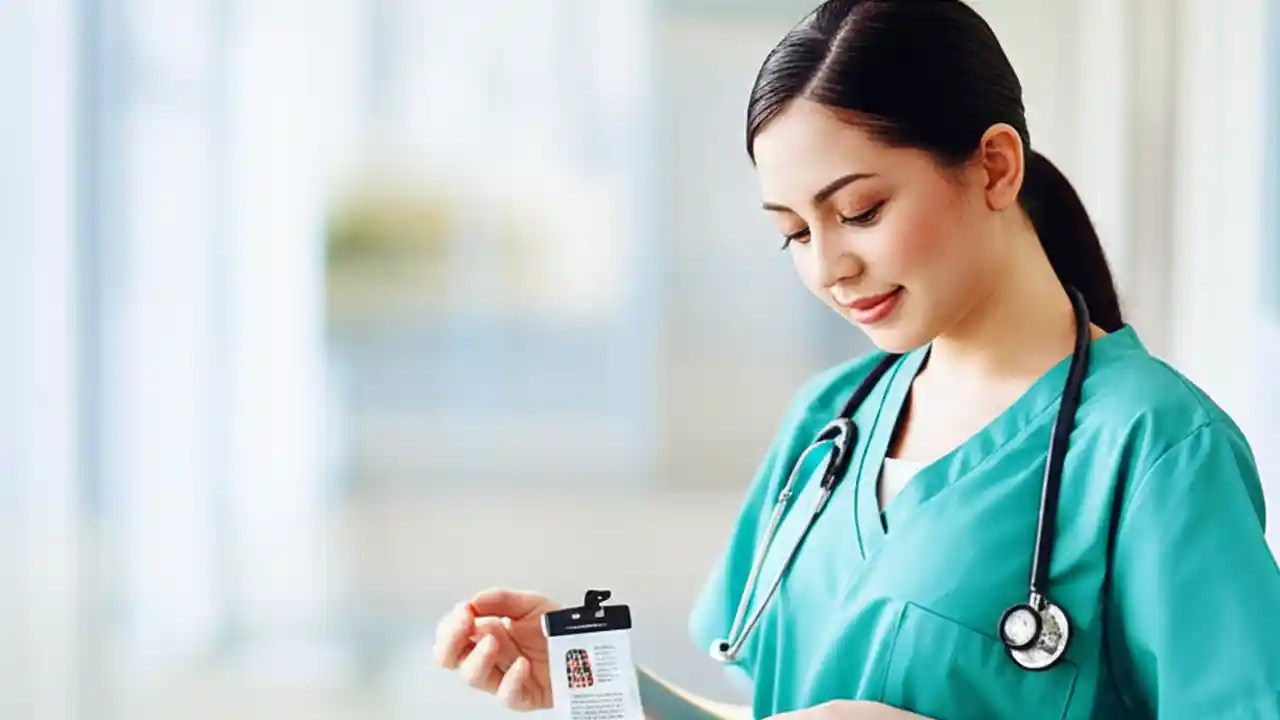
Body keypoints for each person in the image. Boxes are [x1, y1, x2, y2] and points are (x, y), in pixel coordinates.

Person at [432, 1, 1280, 717]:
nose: (828, 267)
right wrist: (609, 686)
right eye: (794, 233)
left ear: (994, 165)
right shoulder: (830, 419)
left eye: (862, 211)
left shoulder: (1158, 447)